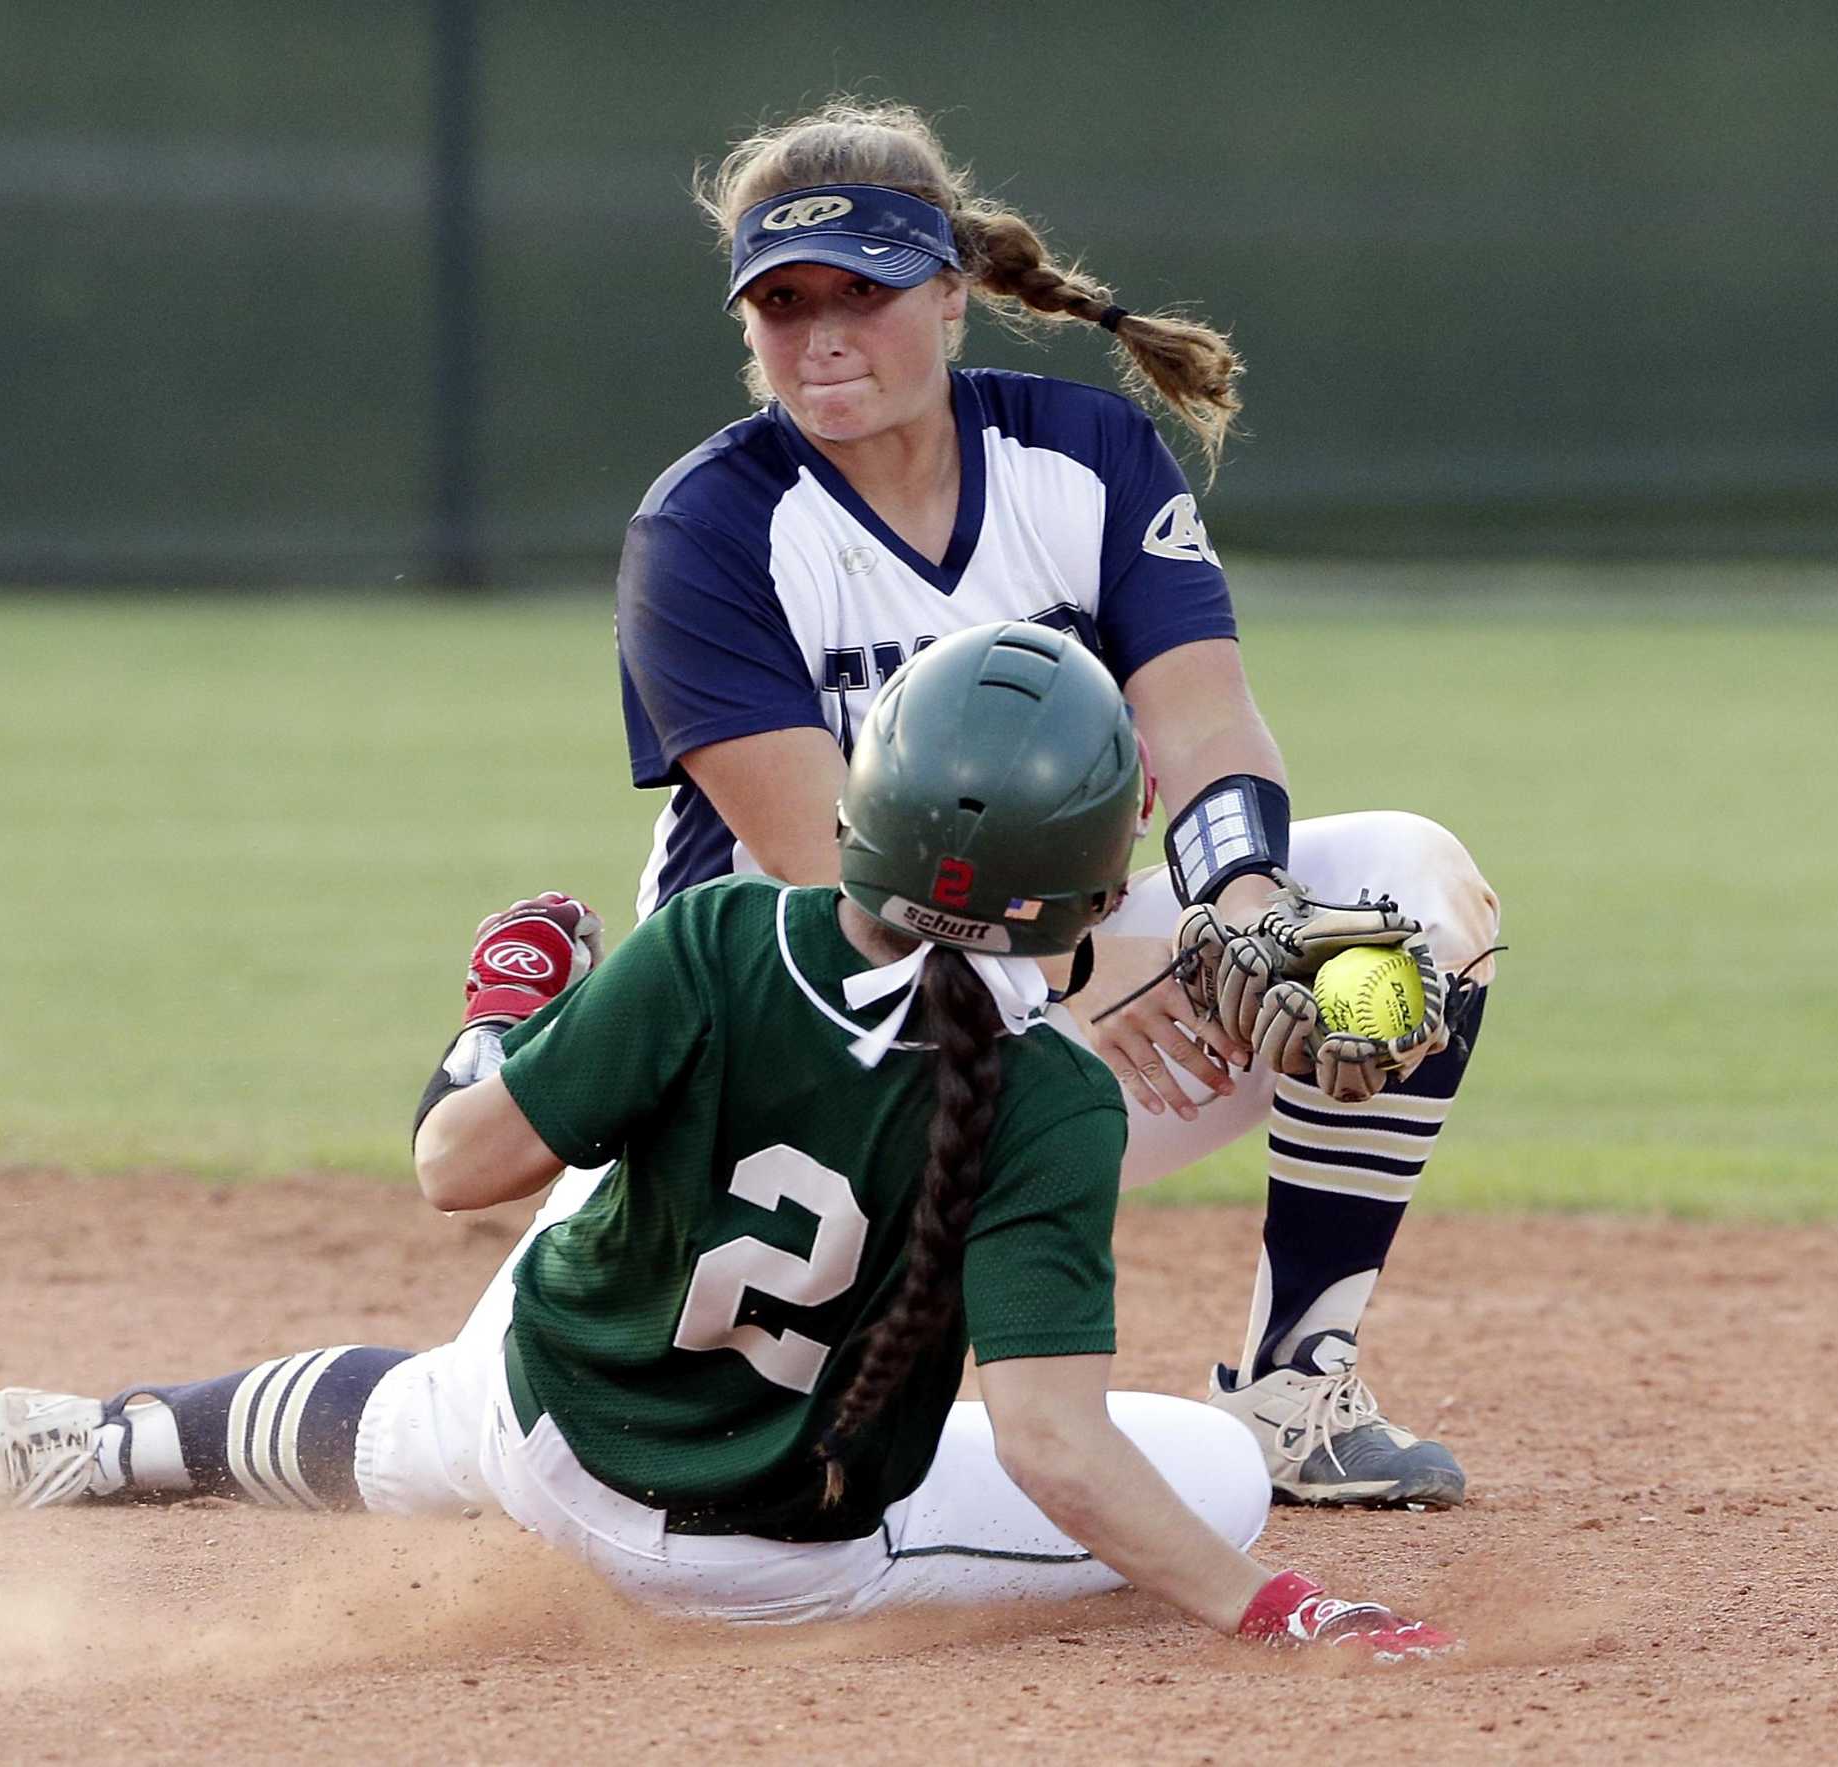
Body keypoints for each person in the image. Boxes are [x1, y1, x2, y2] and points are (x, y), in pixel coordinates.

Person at [0, 624, 1451, 1656]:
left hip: (542, 1415)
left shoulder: (714, 938)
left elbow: (455, 1172)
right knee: (1211, 1482)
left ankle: (103, 1441)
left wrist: (499, 1035)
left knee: (431, 1400)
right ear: (1101, 887)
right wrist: (1280, 1612)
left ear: (870, 799)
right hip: (757, 1565)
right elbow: (1056, 1447)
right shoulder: (1049, 1095)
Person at [614, 99, 1502, 1509]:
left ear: (954, 298)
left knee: (1408, 892)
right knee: (531, 1445)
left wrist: (1241, 925)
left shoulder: (1083, 461)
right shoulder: (708, 529)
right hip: (788, 1063)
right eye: (783, 303)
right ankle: (168, 1432)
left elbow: (1205, 721)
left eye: (865, 291)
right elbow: (820, 872)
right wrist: (1065, 987)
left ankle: (1297, 1385)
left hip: (1049, 1020)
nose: (824, 333)